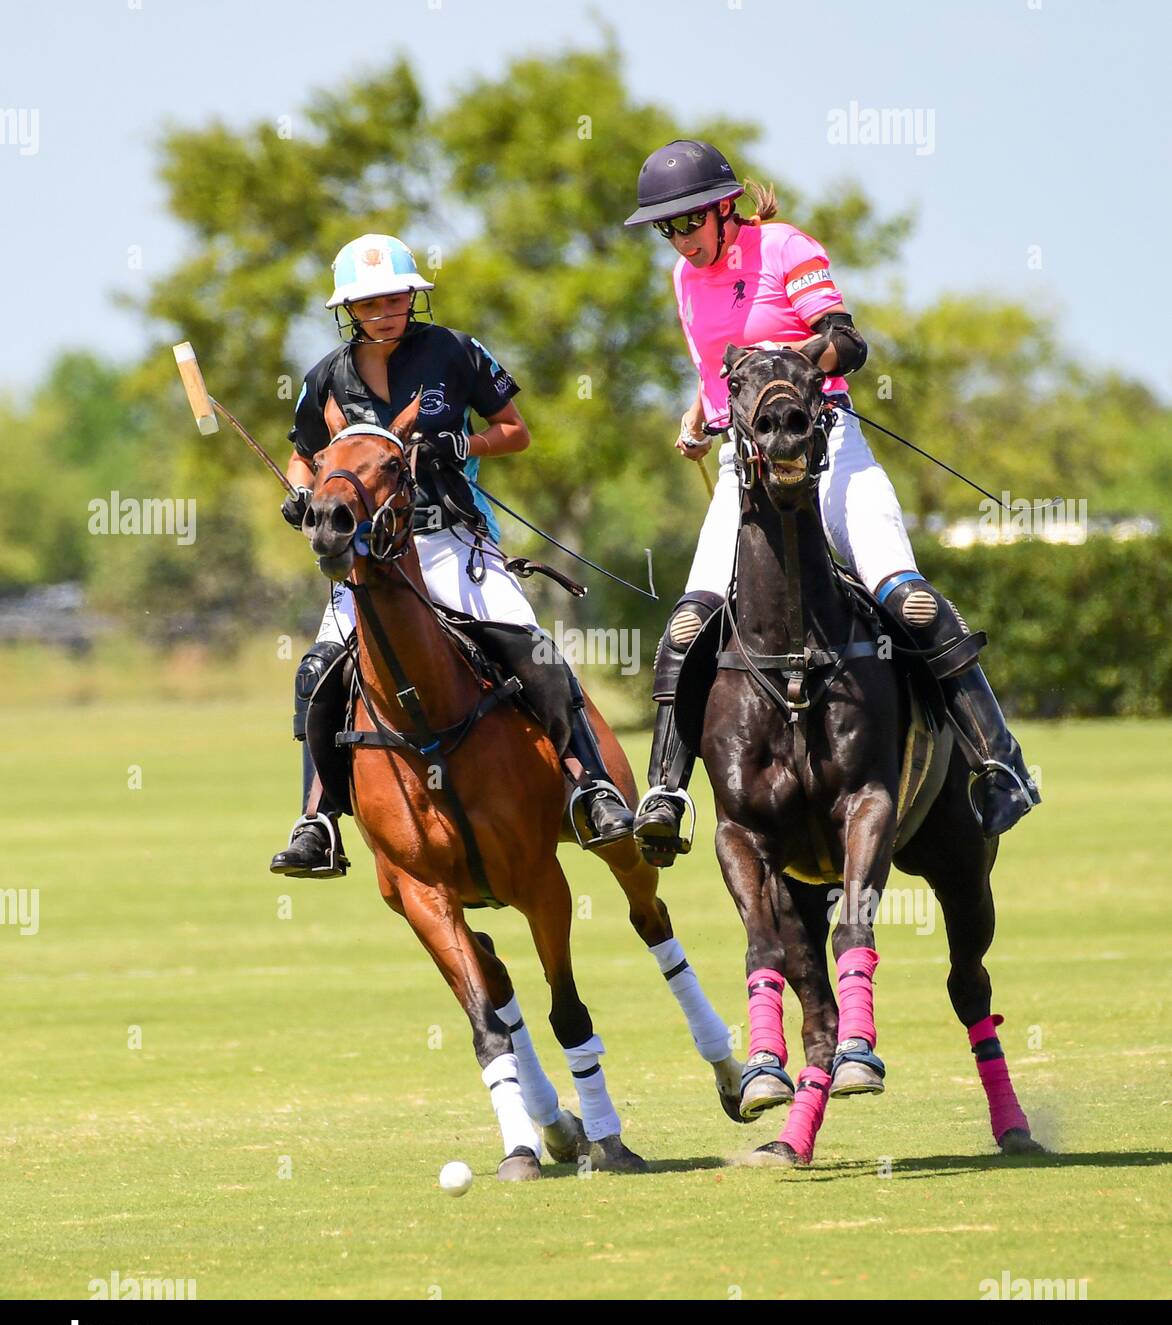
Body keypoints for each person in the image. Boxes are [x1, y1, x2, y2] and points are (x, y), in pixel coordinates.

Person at [623, 140, 1040, 866]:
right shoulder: (682, 281)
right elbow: (722, 374)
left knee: (907, 600)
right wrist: (700, 415)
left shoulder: (785, 247)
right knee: (690, 620)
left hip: (829, 444)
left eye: (689, 221)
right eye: (667, 227)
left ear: (725, 209)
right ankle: (665, 793)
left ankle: (999, 763)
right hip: (744, 463)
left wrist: (786, 370)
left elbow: (845, 345)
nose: (681, 238)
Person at [269, 233, 633, 877]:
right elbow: (304, 453)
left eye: (396, 297)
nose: (385, 310)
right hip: (368, 557)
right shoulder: (326, 375)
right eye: (369, 301)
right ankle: (318, 821)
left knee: (531, 647)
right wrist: (303, 496)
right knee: (319, 670)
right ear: (348, 309)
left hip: (451, 539)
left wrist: (462, 447)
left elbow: (515, 431)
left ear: (414, 297)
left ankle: (593, 785)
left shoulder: (453, 352)